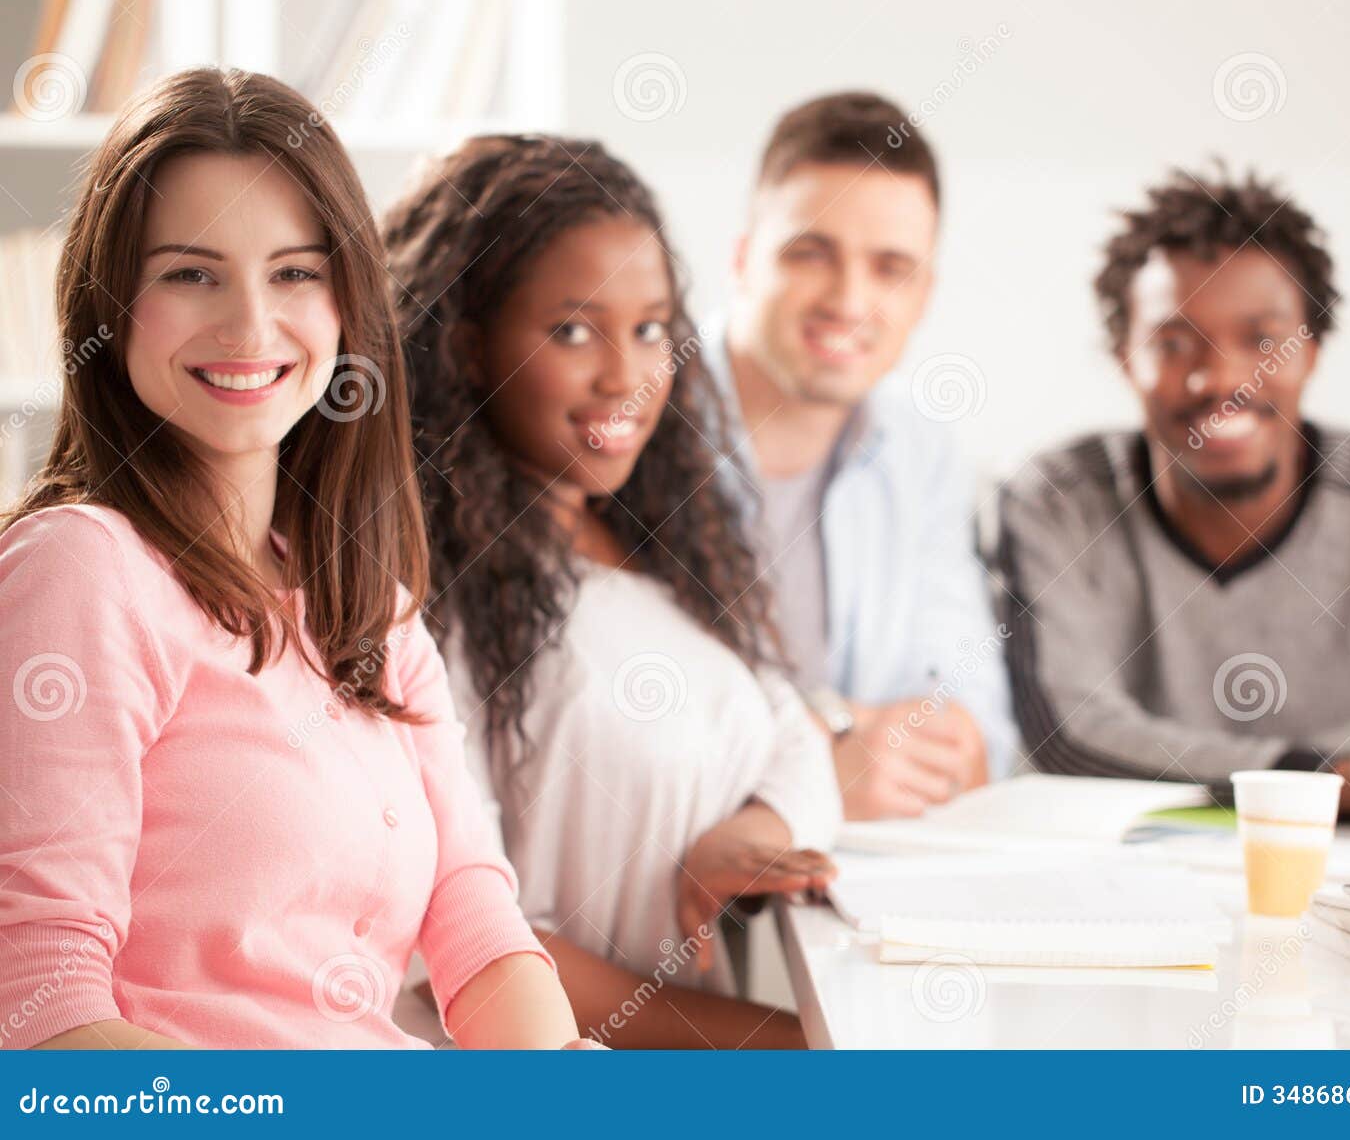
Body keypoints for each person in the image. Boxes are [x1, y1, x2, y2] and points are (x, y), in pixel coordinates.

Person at [0, 70, 588, 1049]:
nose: (249, 325)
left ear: (346, 302)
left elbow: (475, 918)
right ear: (111, 305)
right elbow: (40, 1006)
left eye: (294, 273)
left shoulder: (370, 604)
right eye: (190, 273)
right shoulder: (80, 568)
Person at [385, 134, 841, 1049]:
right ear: (470, 348)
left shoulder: (658, 542)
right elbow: (453, 939)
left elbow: (796, 733)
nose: (626, 376)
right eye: (572, 330)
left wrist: (745, 831)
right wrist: (768, 1046)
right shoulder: (429, 592)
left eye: (649, 329)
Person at [998, 169, 1350, 814]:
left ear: (1311, 352)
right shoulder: (1057, 499)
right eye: (1173, 341)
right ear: (1125, 357)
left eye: (1262, 340)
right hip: (1117, 877)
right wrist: (1342, 782)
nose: (1220, 376)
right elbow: (1068, 739)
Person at [704, 91, 1018, 820]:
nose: (849, 300)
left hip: (857, 880)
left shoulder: (921, 446)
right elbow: (633, 716)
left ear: (925, 294)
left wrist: (937, 744)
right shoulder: (635, 414)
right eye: (812, 253)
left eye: (890, 268)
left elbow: (975, 715)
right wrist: (825, 761)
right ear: (744, 259)